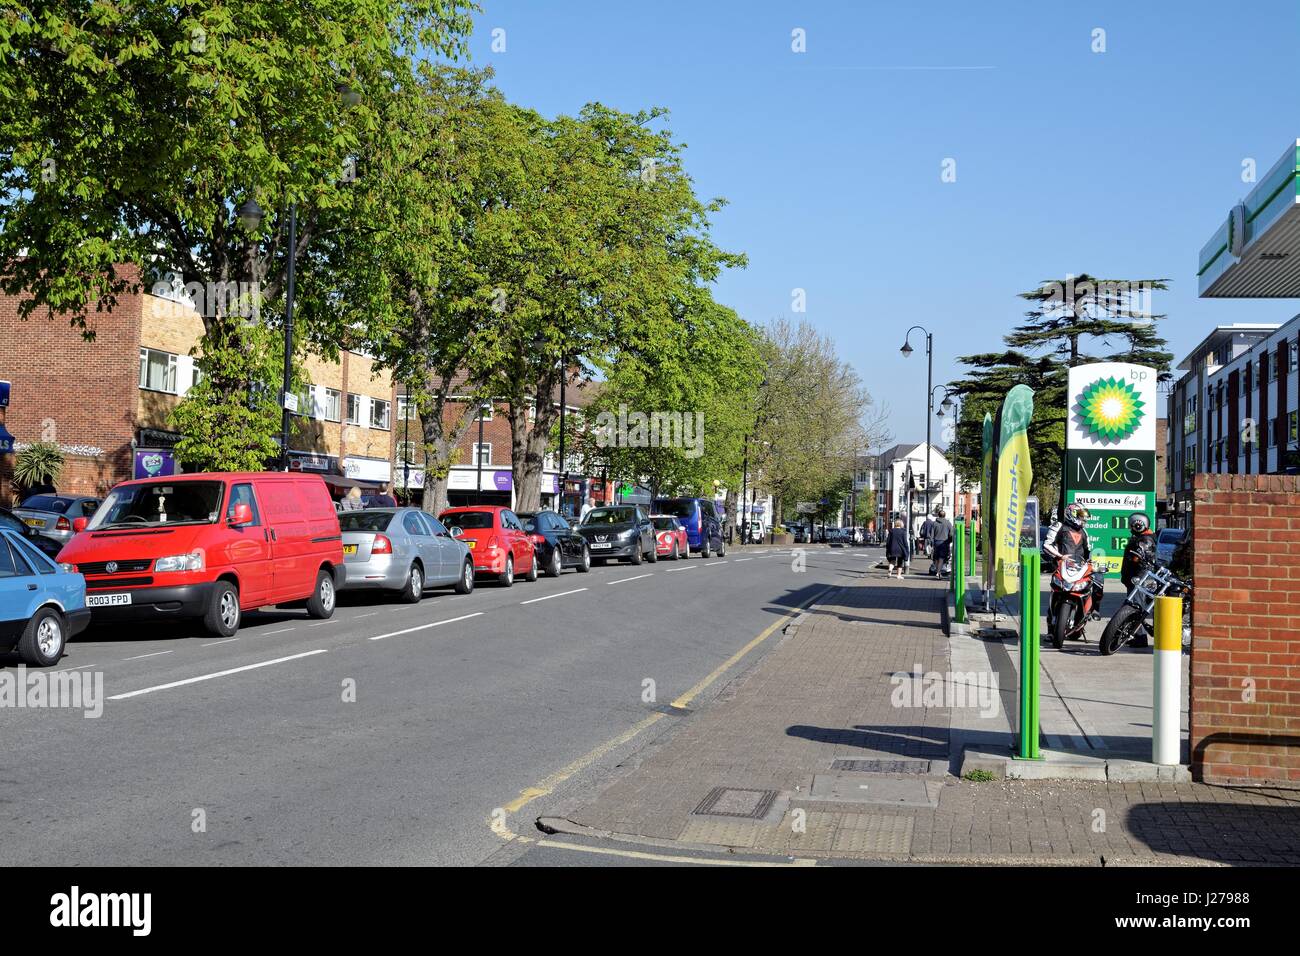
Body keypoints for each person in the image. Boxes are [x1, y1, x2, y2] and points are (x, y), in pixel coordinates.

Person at [1042, 501, 1103, 612]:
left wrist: (1091, 563)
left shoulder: (1084, 532)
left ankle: (1094, 610)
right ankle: (1052, 615)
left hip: (1079, 567)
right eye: (1080, 516)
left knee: (1099, 580)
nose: (1084, 520)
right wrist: (1060, 556)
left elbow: (1088, 551)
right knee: (1056, 589)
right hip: (1061, 566)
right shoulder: (1059, 526)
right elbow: (1046, 545)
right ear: (1072, 514)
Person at [1120, 512, 1156, 594]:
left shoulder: (1145, 540)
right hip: (1134, 579)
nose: (1130, 529)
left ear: (1138, 525)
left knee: (1137, 603)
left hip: (1139, 579)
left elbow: (1145, 563)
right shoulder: (1141, 538)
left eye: (1132, 526)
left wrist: (1136, 578)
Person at [928, 507, 954, 576]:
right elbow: (951, 534)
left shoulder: (934, 524)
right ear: (944, 516)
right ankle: (938, 572)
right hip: (944, 543)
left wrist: (931, 543)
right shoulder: (948, 523)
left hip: (936, 542)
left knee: (936, 558)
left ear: (938, 515)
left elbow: (931, 535)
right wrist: (950, 541)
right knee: (942, 558)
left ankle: (938, 570)